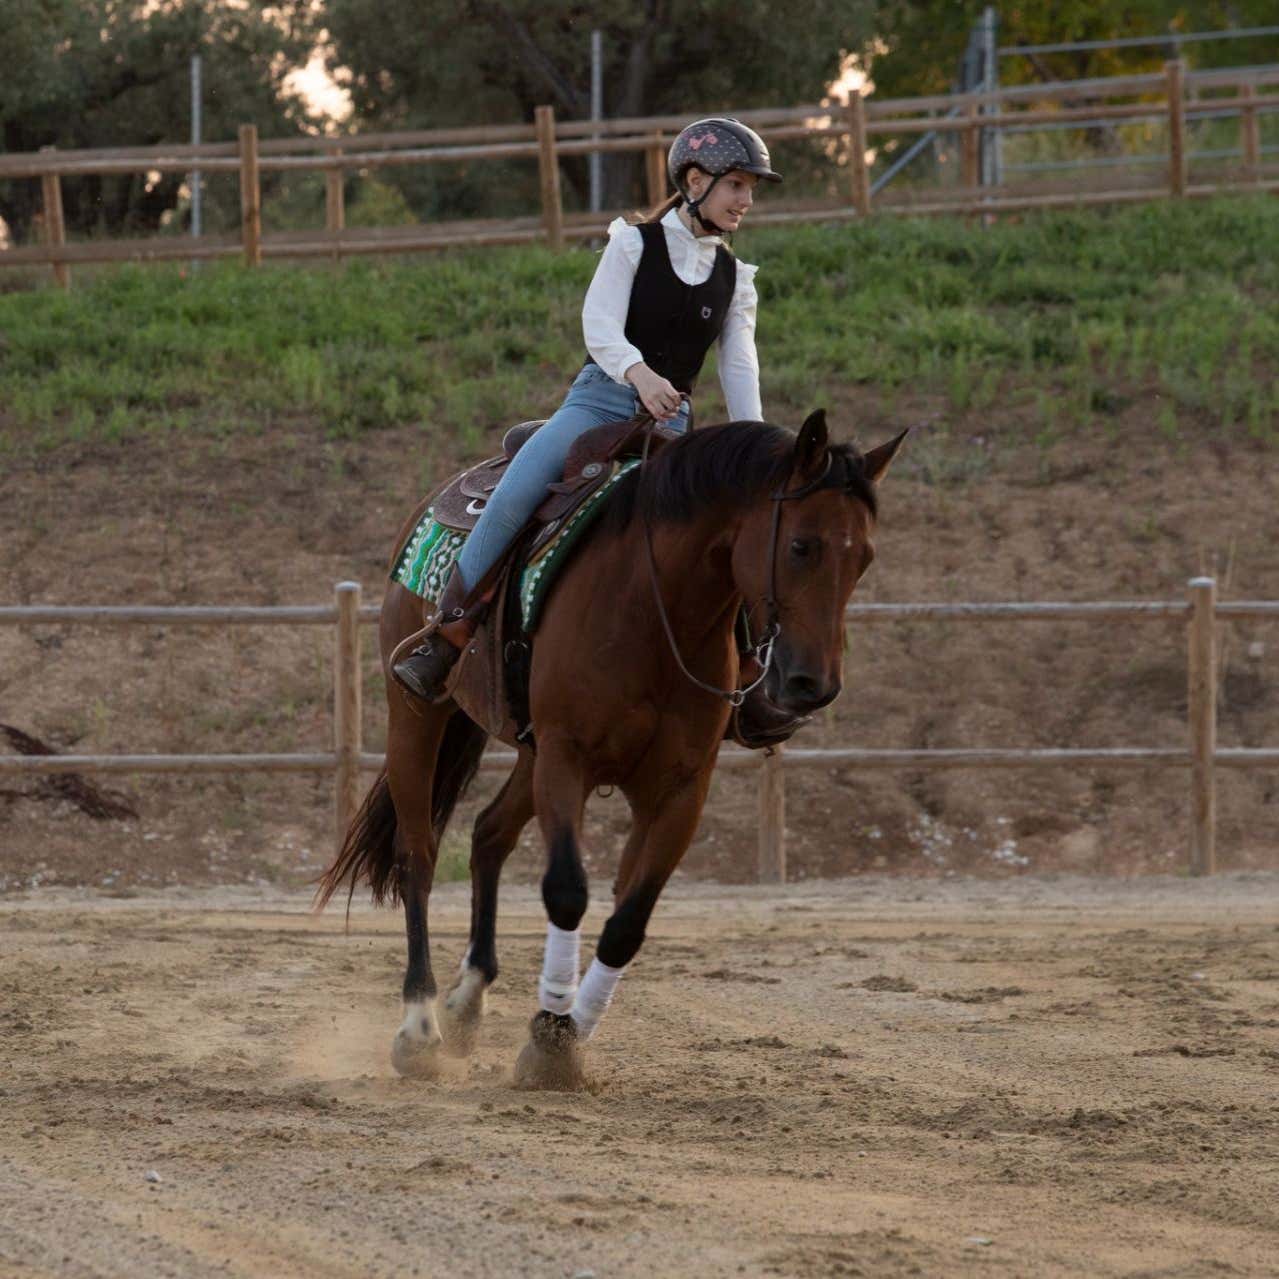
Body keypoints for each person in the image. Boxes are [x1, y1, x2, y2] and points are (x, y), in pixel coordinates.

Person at [392, 117, 782, 703]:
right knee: (514, 496)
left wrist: (757, 446)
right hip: (599, 403)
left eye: (751, 188)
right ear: (696, 181)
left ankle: (748, 670)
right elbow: (598, 325)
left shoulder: (735, 278)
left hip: (671, 424)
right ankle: (448, 633)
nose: (746, 200)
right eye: (737, 185)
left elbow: (740, 366)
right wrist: (640, 374)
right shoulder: (632, 244)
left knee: (727, 528)